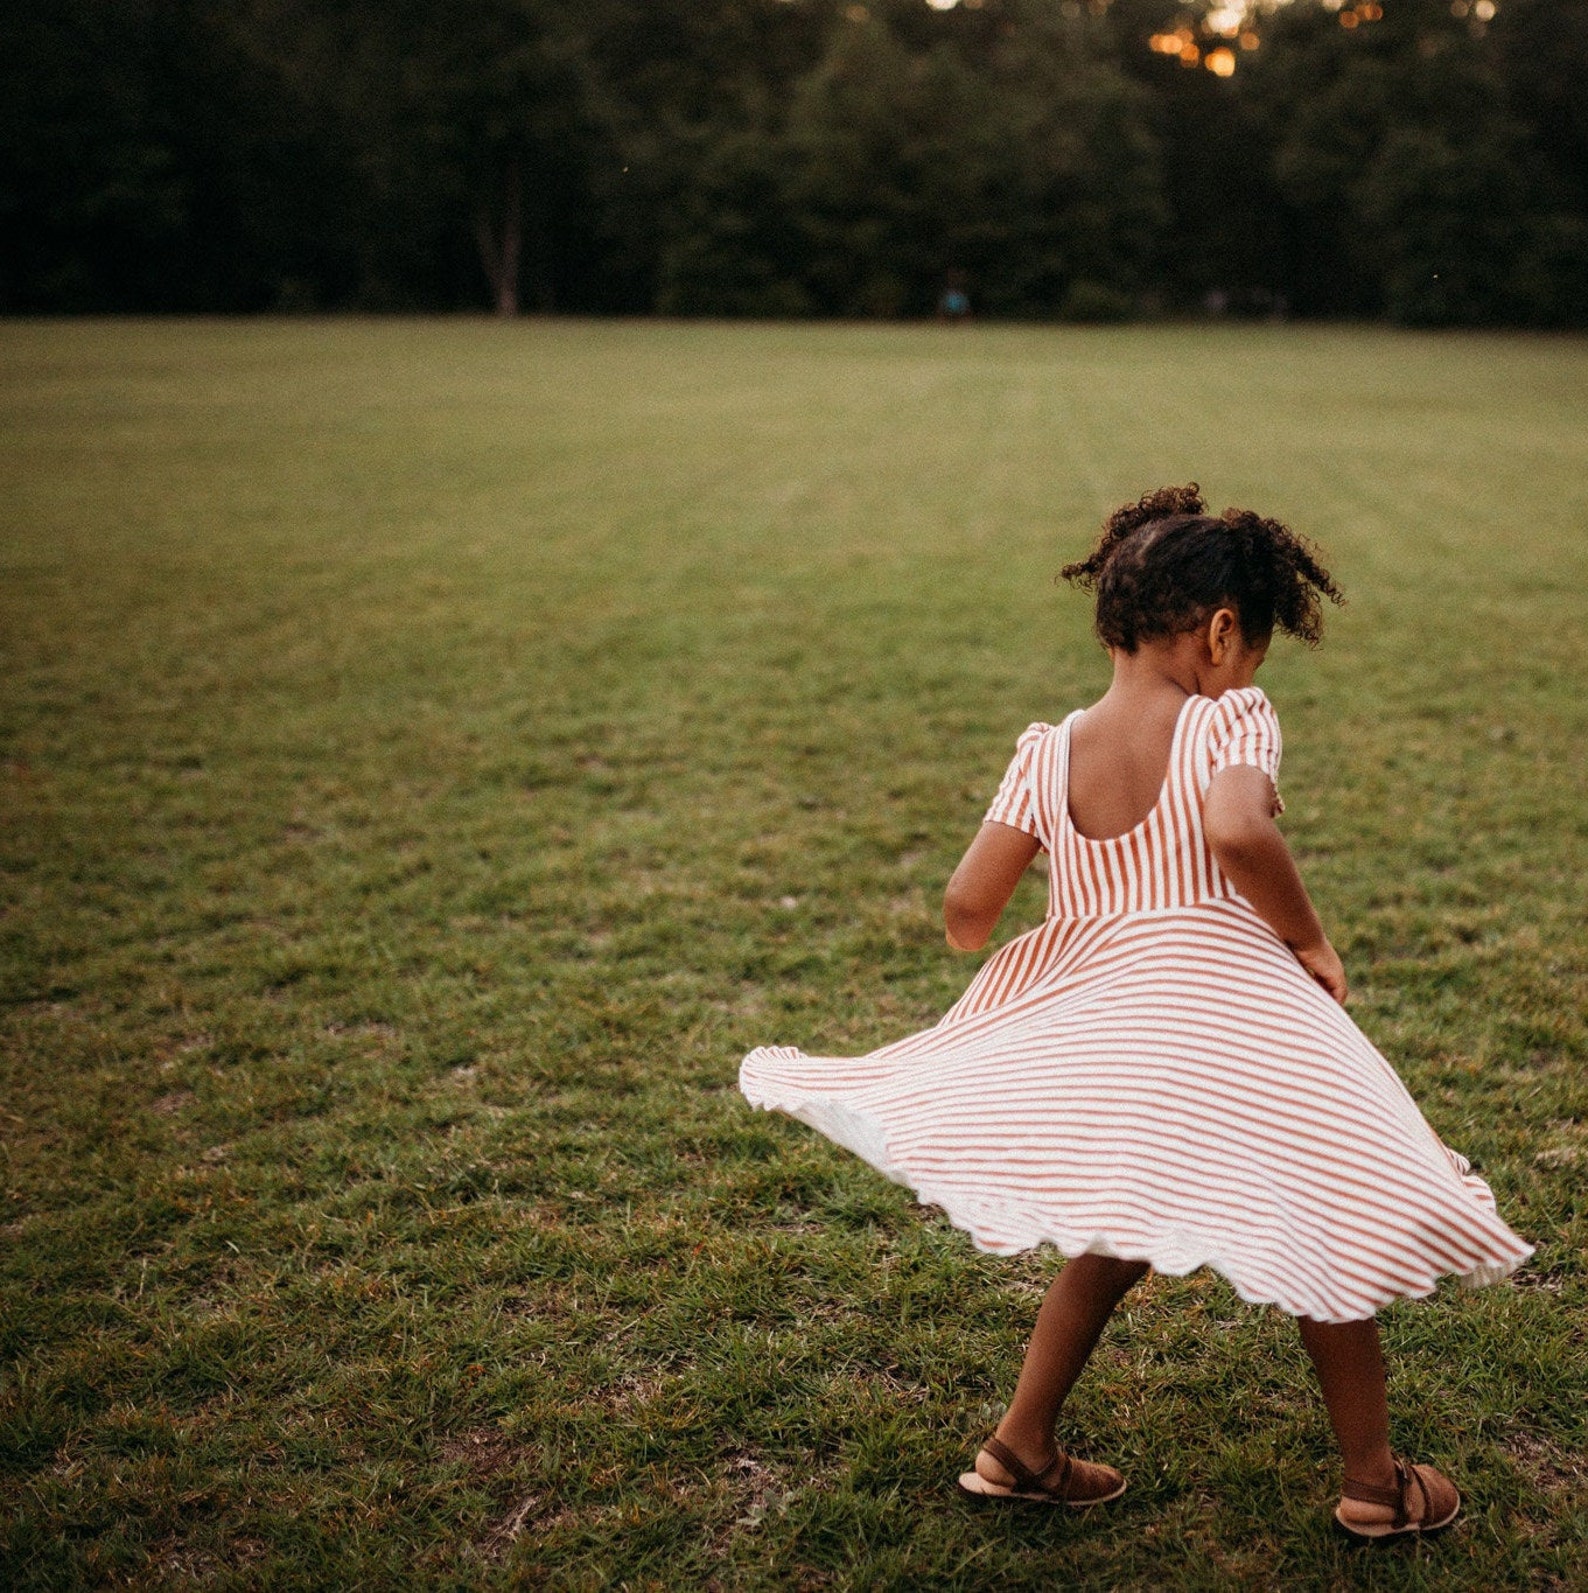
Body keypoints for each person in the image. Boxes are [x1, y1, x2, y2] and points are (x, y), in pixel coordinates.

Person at [739, 484, 1532, 1540]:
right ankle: (1375, 1485)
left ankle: (1019, 1448)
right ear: (1217, 632)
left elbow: (967, 913)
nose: (1250, 670)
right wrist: (1307, 938)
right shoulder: (1227, 717)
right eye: (1253, 647)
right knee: (1327, 1216)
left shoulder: (1049, 750)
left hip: (1110, 1015)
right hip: (1227, 1009)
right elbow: (1240, 832)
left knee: (1114, 1235)